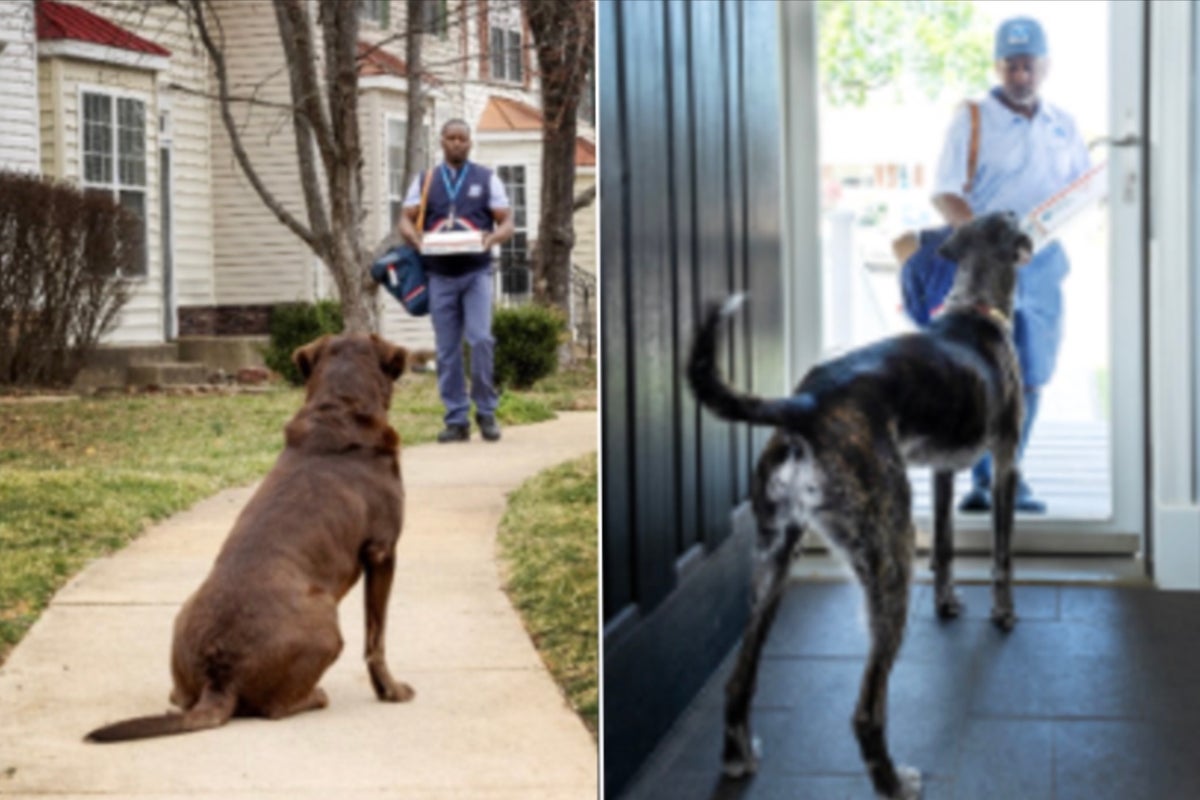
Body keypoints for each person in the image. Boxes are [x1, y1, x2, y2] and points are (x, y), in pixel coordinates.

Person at [932, 16, 1090, 513]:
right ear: (998, 66)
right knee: (984, 369)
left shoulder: (1063, 125)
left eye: (1029, 64)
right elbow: (945, 192)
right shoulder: (973, 117)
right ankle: (984, 481)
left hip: (1043, 265)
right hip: (987, 267)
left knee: (1032, 372)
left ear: (1045, 65)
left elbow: (1081, 191)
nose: (1020, 75)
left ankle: (1009, 473)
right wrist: (986, 245)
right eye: (1010, 65)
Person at [397, 118, 515, 443]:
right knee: (447, 351)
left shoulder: (486, 179)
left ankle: (487, 412)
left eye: (462, 138)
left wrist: (493, 239)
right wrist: (416, 241)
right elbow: (405, 220)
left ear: (470, 142)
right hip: (439, 276)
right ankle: (456, 419)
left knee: (479, 340)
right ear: (442, 141)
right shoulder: (425, 180)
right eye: (451, 138)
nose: (457, 143)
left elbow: (506, 222)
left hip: (476, 272)